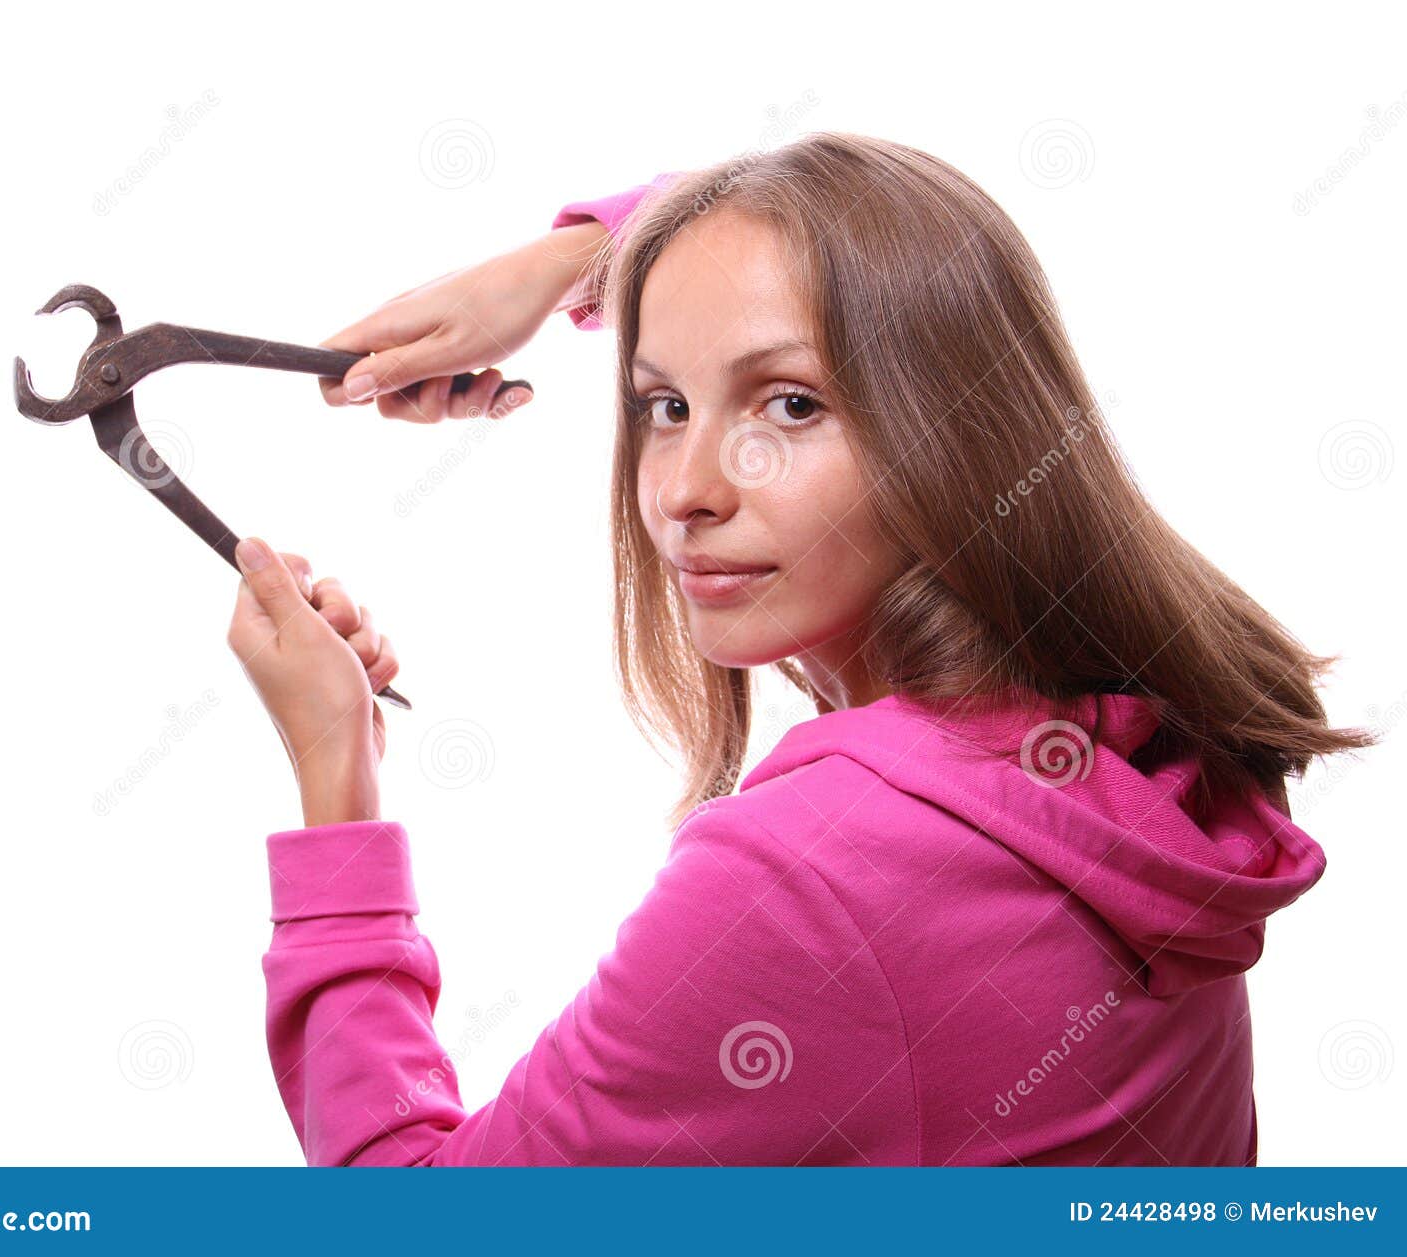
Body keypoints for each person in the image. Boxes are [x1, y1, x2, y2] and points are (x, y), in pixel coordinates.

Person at [224, 133, 1374, 1166]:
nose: (684, 492)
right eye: (663, 405)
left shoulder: (812, 874)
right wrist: (568, 261)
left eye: (789, 407)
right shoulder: (1109, 730)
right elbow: (880, 262)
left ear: (957, 431)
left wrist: (340, 789)